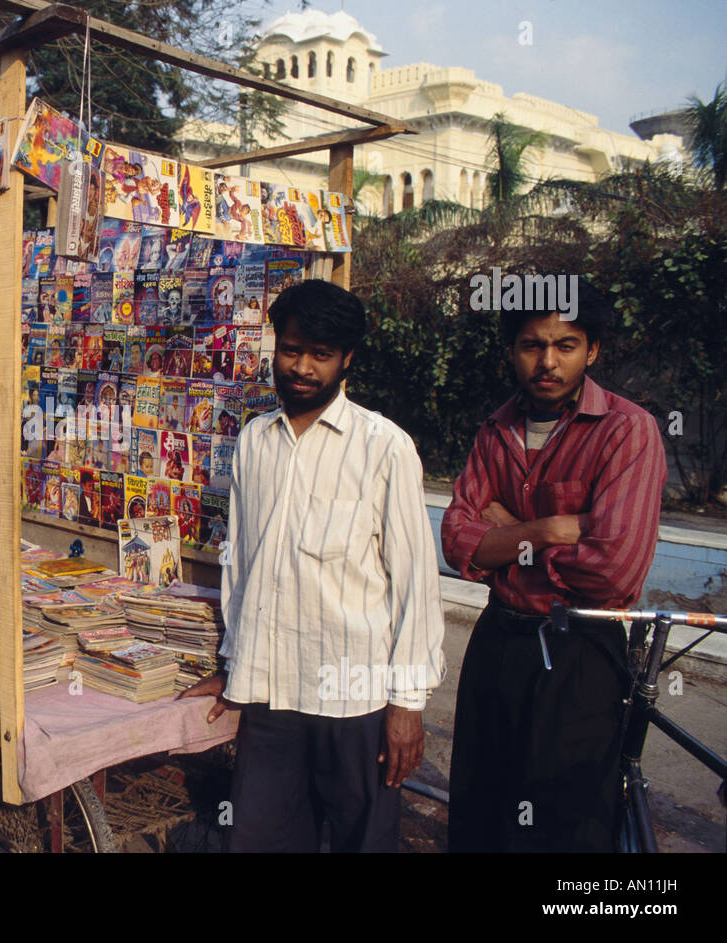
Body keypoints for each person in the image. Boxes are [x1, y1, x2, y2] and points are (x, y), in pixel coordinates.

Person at [180, 279, 445, 852]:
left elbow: (415, 586)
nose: (302, 367)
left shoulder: (384, 447)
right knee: (260, 839)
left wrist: (407, 705)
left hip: (357, 700)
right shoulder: (254, 441)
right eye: (292, 349)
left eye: (320, 355)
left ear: (346, 359)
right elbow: (244, 566)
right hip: (272, 695)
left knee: (362, 842)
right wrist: (234, 664)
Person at [441, 278, 666, 853]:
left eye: (565, 345)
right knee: (481, 806)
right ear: (511, 350)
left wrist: (505, 535)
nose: (547, 361)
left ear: (592, 351)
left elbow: (613, 572)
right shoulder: (496, 429)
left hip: (583, 651)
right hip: (500, 641)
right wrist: (550, 529)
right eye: (531, 344)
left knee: (565, 822)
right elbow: (455, 540)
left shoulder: (627, 430)